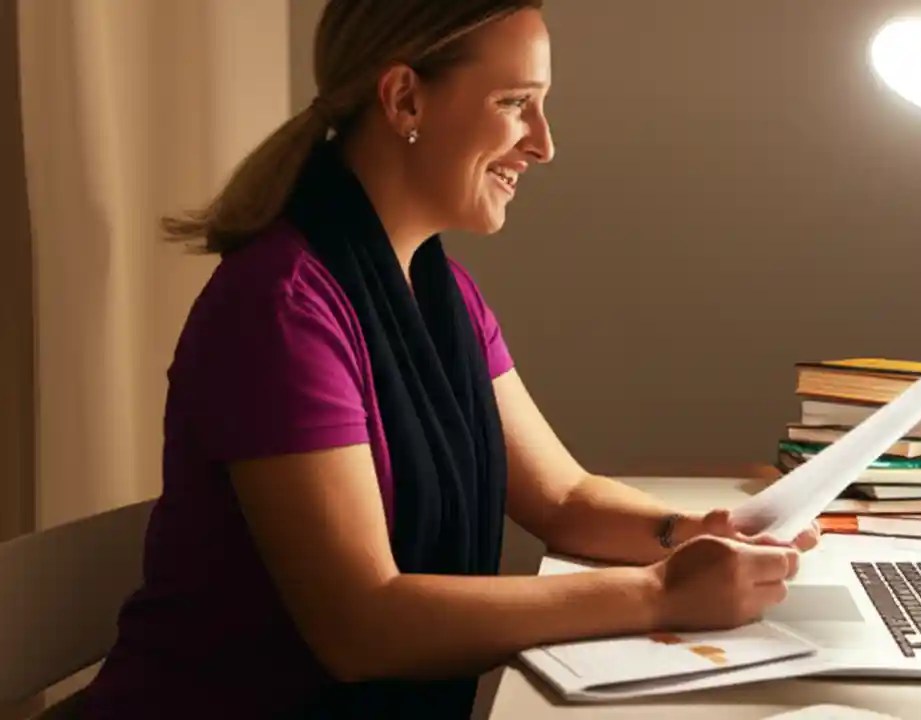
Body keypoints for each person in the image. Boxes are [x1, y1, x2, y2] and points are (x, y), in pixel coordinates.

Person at [81, 1, 820, 718]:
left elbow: (561, 499)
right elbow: (361, 626)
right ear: (405, 100)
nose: (542, 143)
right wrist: (659, 594)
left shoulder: (441, 292)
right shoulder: (282, 311)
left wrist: (697, 533)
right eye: (515, 103)